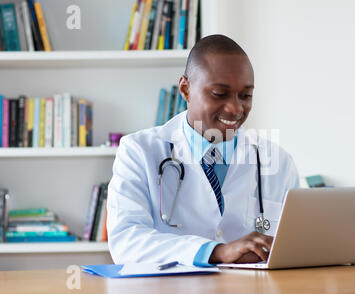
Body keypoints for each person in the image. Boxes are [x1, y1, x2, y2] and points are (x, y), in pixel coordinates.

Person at [107, 34, 300, 266]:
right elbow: (126, 242)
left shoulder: (277, 160)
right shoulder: (139, 151)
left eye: (245, 96)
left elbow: (298, 240)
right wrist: (216, 251)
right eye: (220, 94)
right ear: (185, 89)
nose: (235, 108)